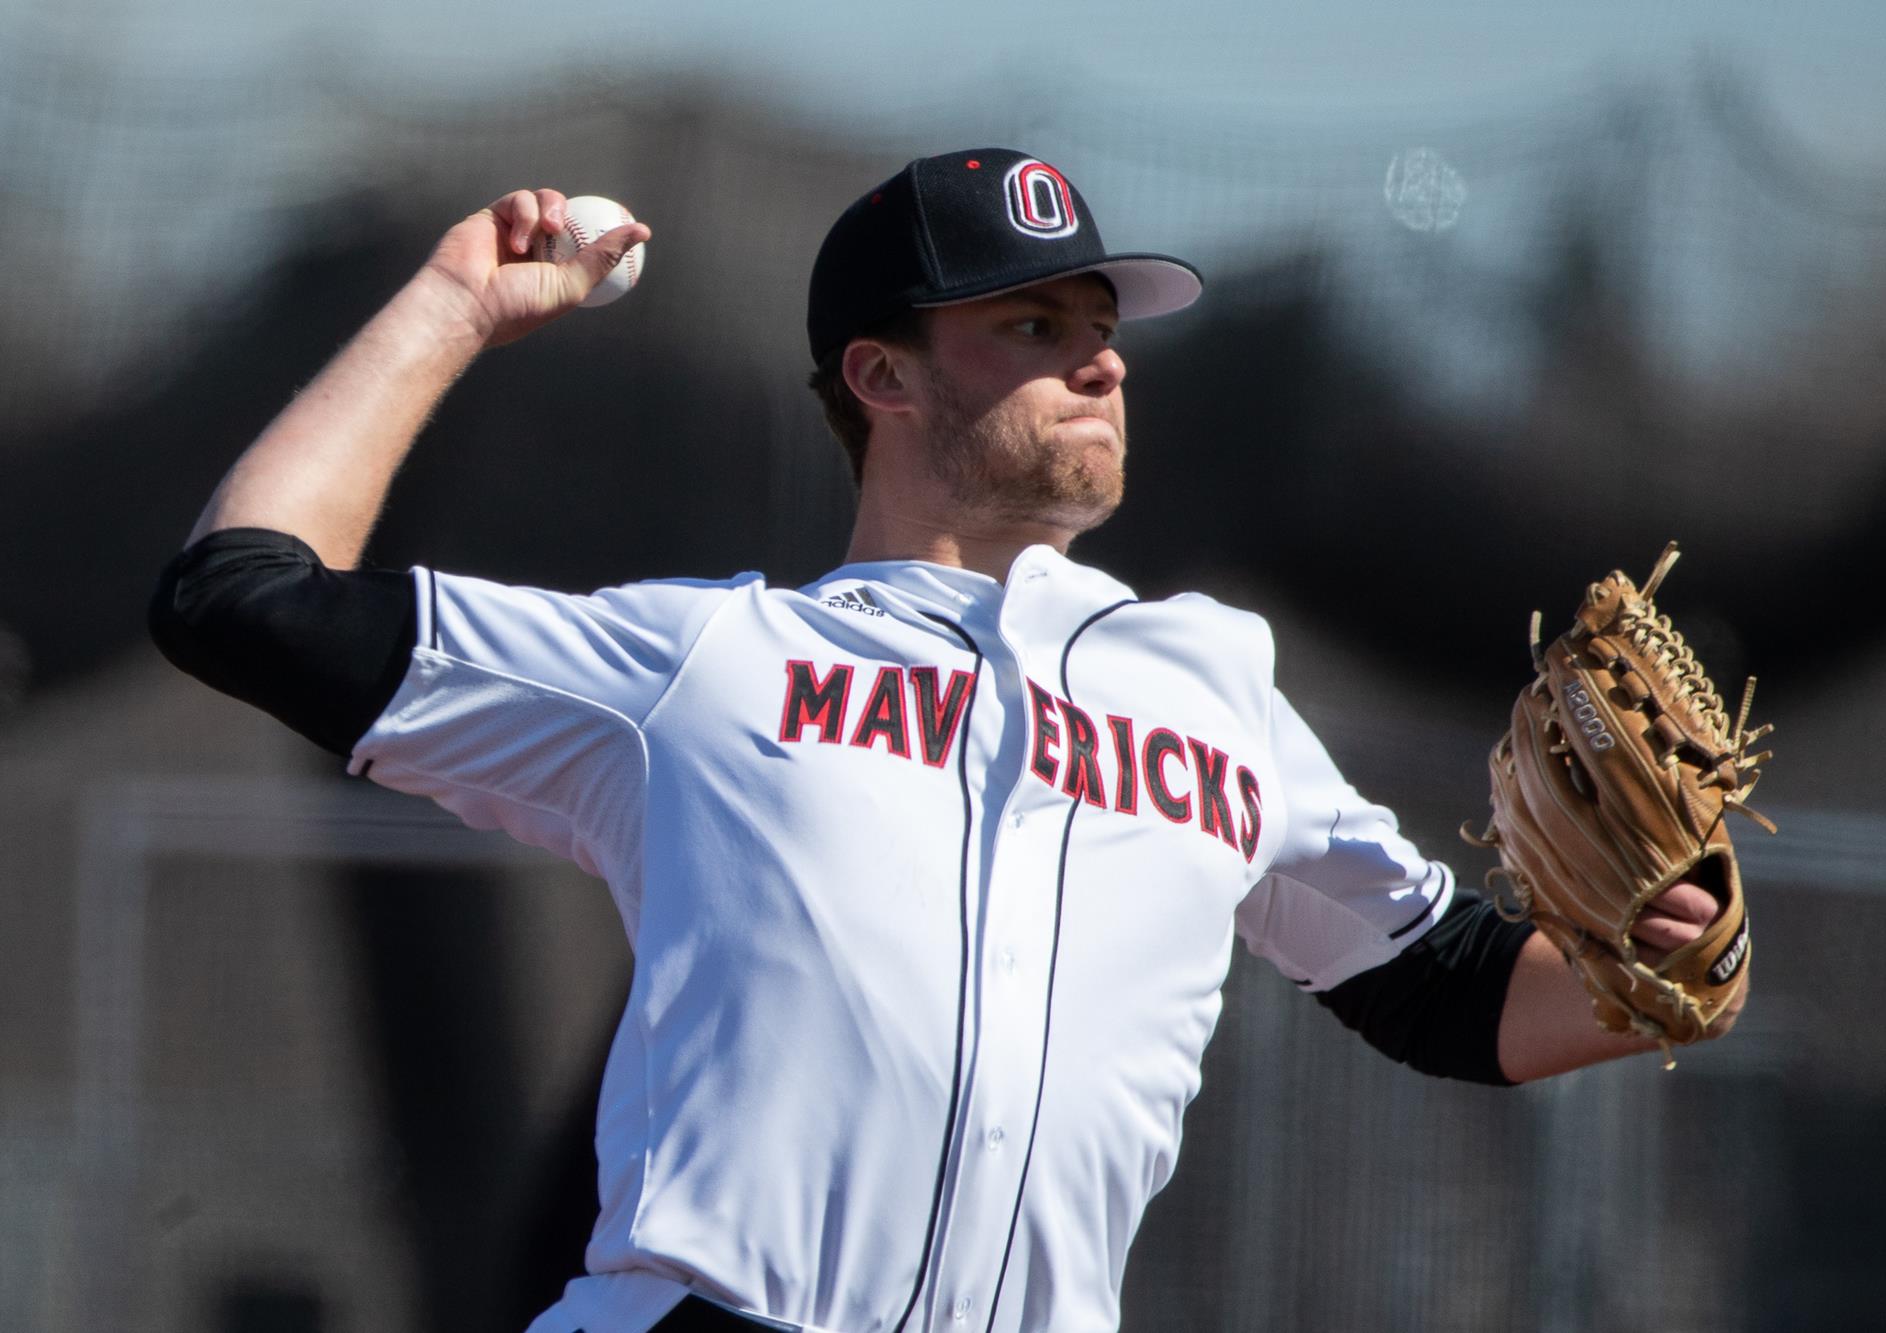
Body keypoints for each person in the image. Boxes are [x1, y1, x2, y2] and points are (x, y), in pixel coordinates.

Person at [151, 149, 1742, 1333]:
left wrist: (1678, 945)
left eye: (1101, 322)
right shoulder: (707, 665)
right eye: (1033, 322)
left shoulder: (1213, 688)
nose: (1100, 357)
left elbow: (1456, 995)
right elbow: (243, 597)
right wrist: (448, 309)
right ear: (883, 374)